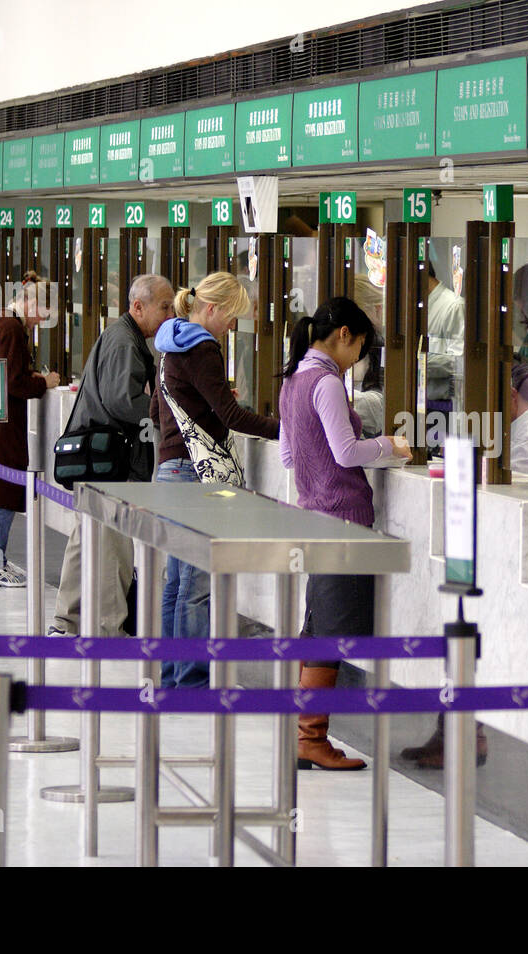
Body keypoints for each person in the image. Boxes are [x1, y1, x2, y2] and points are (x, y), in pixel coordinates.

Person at [278, 297, 411, 770]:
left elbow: (289, 458)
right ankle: (309, 738)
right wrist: (389, 446)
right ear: (344, 336)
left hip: (311, 515)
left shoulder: (292, 378)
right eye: (360, 350)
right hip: (343, 520)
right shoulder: (327, 383)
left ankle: (302, 735)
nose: (358, 361)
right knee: (331, 631)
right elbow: (347, 451)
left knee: (317, 623)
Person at [151, 273, 279, 686]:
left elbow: (157, 411)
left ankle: (171, 674)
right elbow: (232, 417)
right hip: (196, 473)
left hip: (169, 468)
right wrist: (286, 427)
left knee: (176, 580)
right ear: (212, 309)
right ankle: (191, 679)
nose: (232, 326)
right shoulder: (203, 349)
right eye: (231, 316)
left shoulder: (170, 345)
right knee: (196, 583)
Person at [48, 274, 172, 637]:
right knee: (111, 548)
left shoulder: (124, 337)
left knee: (84, 541)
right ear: (138, 307)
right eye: (163, 307)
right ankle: (108, 629)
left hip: (95, 460)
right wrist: (164, 414)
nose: (168, 315)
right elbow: (123, 401)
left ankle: (65, 622)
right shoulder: (124, 342)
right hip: (109, 461)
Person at [0, 277, 61, 586]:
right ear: (30, 302)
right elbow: (14, 383)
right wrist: (44, 382)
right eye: (43, 312)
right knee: (3, 494)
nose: (41, 320)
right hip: (5, 425)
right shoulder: (12, 328)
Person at [425, 245, 465, 446]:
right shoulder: (415, 307)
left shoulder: (452, 305)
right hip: (419, 404)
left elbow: (458, 360)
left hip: (444, 407)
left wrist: (421, 363)